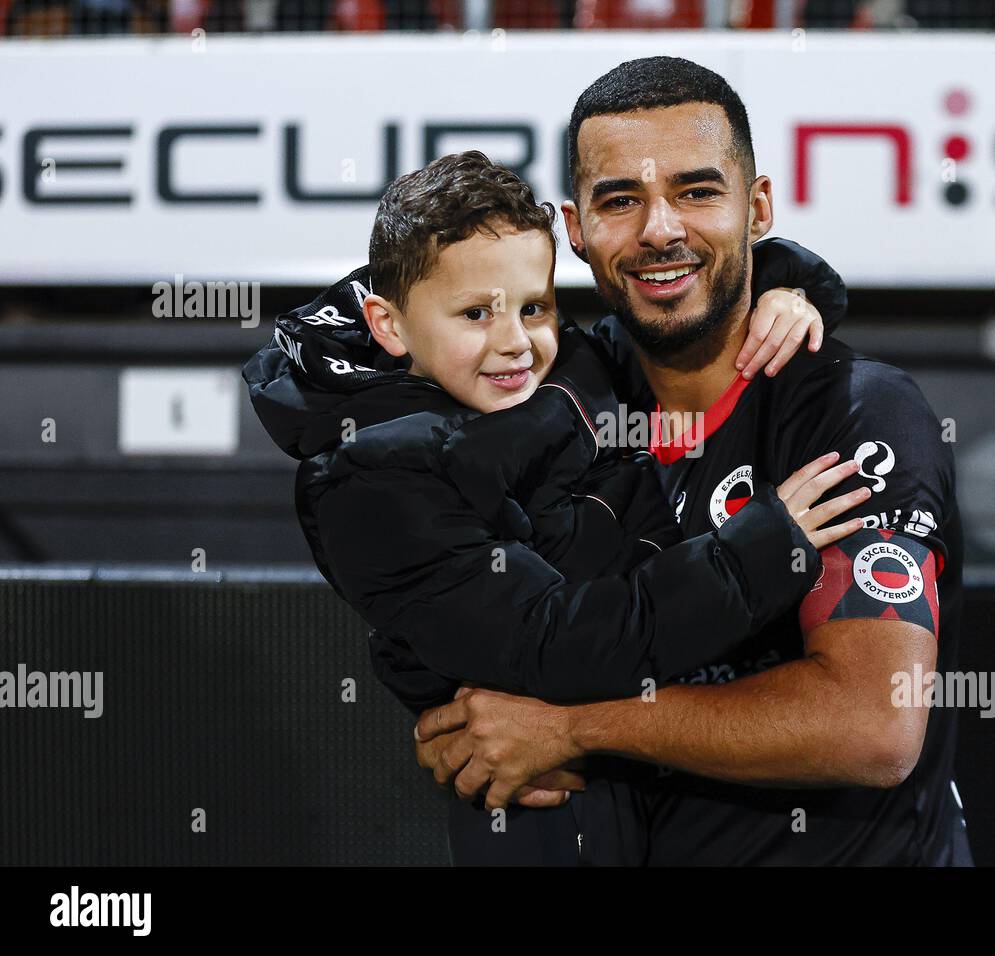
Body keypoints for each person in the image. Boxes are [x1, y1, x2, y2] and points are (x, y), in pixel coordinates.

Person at [413, 57, 973, 866]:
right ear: (574, 229)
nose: (660, 230)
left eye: (697, 192)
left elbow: (872, 723)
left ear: (760, 208)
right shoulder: (544, 399)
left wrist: (569, 726)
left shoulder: (855, 410)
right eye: (620, 201)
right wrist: (459, 724)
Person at [244, 149, 866, 864]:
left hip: (652, 778)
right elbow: (554, 648)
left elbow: (660, 331)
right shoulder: (369, 480)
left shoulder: (555, 366)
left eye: (534, 305)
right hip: (549, 805)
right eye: (475, 313)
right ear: (388, 326)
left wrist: (785, 290)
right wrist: (759, 552)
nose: (515, 342)